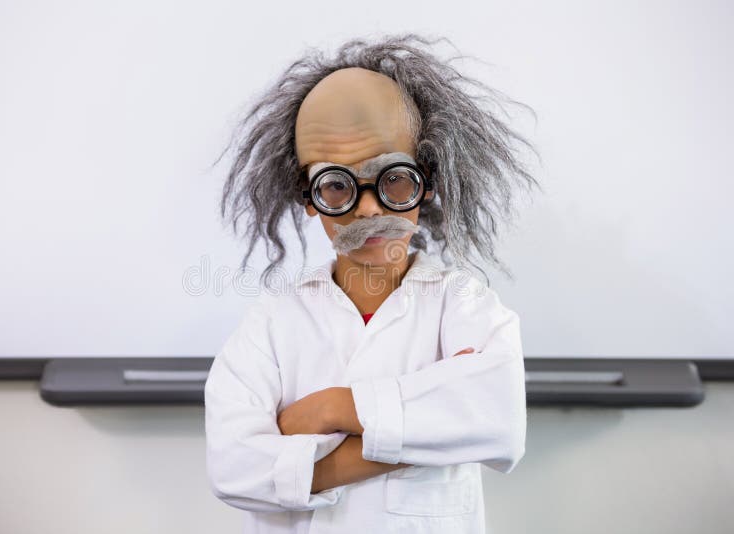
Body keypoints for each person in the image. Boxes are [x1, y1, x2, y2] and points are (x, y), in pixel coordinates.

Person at [204, 33, 540, 534]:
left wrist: (329, 409)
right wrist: (429, 431)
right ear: (307, 196)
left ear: (427, 179)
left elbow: (500, 420)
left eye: (392, 178)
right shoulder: (272, 324)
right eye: (336, 185)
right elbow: (233, 469)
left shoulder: (462, 305)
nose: (368, 208)